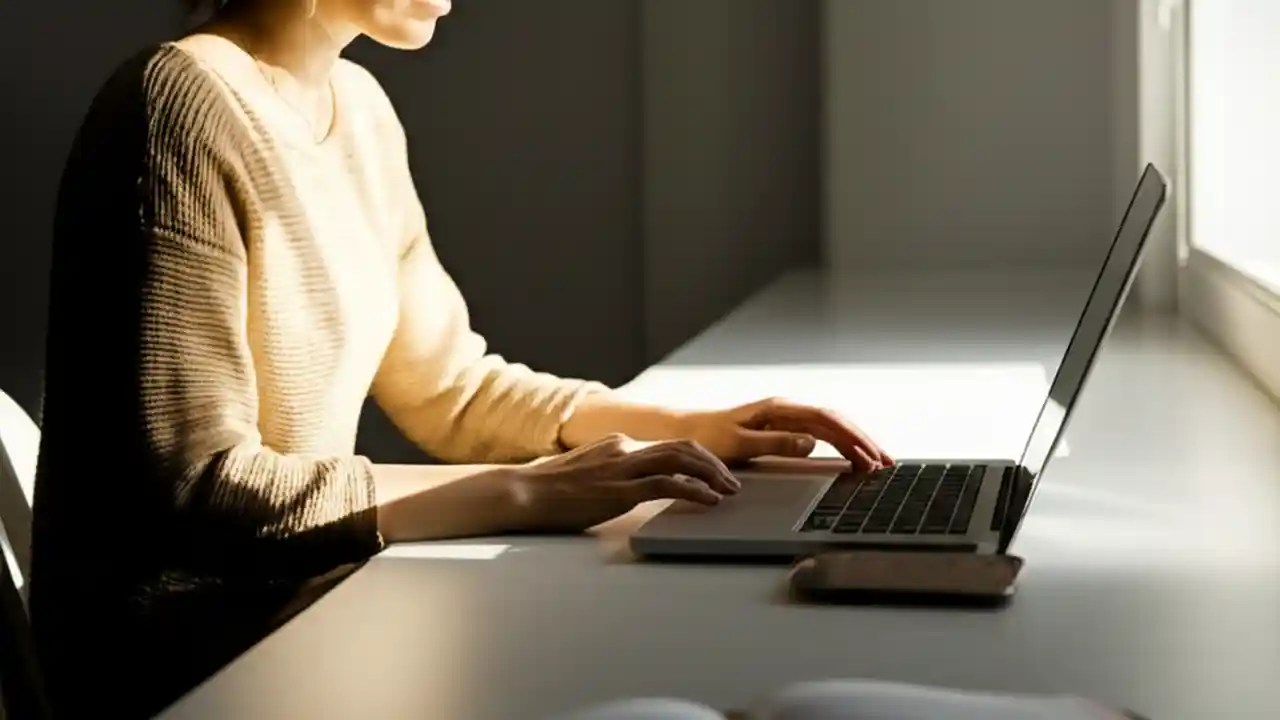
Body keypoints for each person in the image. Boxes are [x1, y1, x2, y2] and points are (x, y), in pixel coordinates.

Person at [28, 0, 892, 716]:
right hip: (191, 669)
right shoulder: (174, 107)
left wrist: (688, 427)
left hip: (315, 615)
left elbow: (452, 387)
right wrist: (524, 493)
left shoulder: (359, 107)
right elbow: (202, 489)